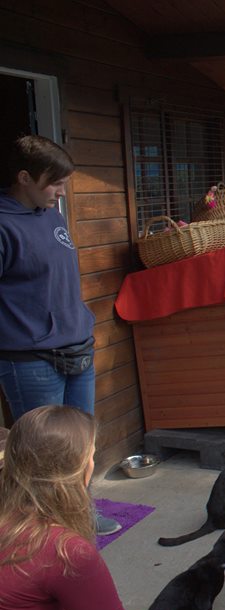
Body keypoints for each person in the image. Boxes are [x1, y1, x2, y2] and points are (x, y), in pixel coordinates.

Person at [0, 135, 119, 536]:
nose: (61, 192)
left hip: (77, 349)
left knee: (81, 447)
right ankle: (45, 533)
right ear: (24, 178)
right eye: (54, 183)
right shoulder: (3, 224)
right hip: (30, 360)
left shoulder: (49, 213)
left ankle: (80, 515)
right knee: (43, 455)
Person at [0, 405, 186, 610]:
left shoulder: (12, 522)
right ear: (77, 472)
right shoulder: (67, 552)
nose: (92, 464)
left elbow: (35, 609)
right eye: (91, 457)